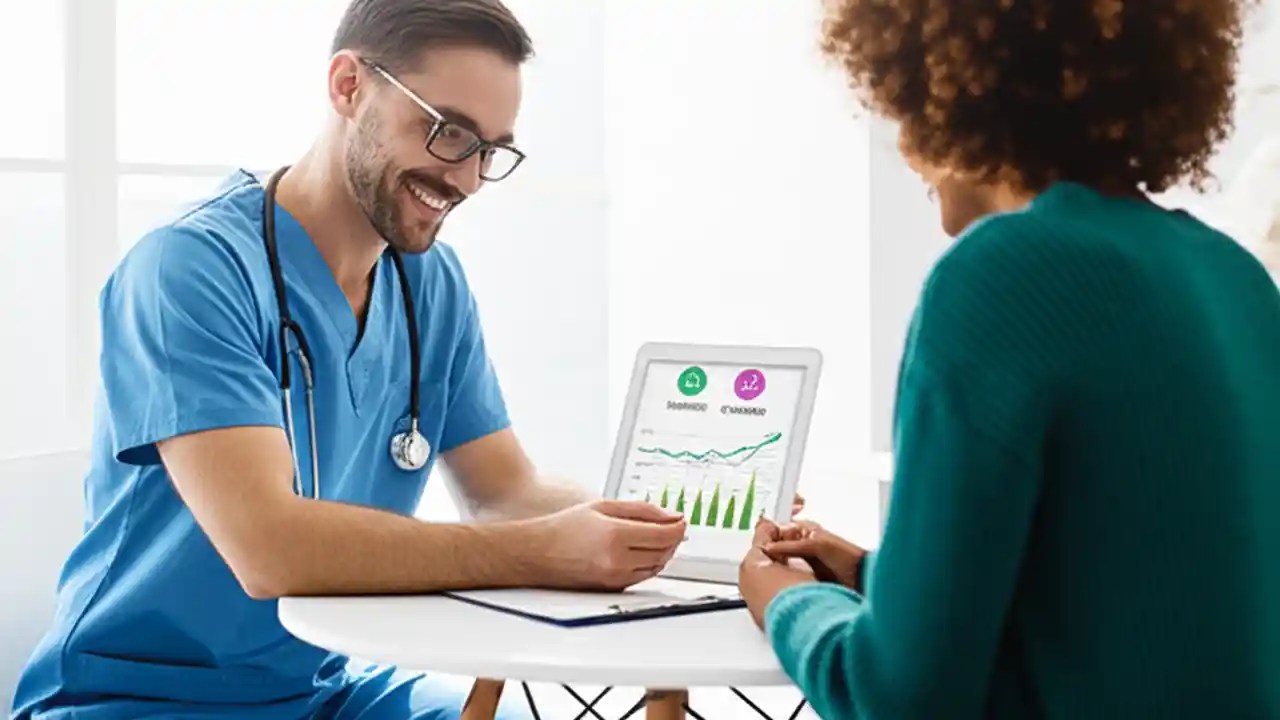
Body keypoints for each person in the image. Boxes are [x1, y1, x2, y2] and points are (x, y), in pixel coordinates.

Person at [11, 1, 691, 718]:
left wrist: (681, 521)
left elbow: (505, 494)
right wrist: (541, 551)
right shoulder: (188, 271)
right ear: (347, 86)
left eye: (489, 150)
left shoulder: (431, 283)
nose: (466, 179)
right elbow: (267, 550)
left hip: (323, 694)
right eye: (448, 131)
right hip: (139, 700)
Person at [738, 0, 1280, 717]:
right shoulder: (1234, 279)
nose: (901, 145)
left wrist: (787, 602)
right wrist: (875, 576)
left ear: (948, 84)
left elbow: (899, 698)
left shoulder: (1000, 274)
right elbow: (1119, 612)